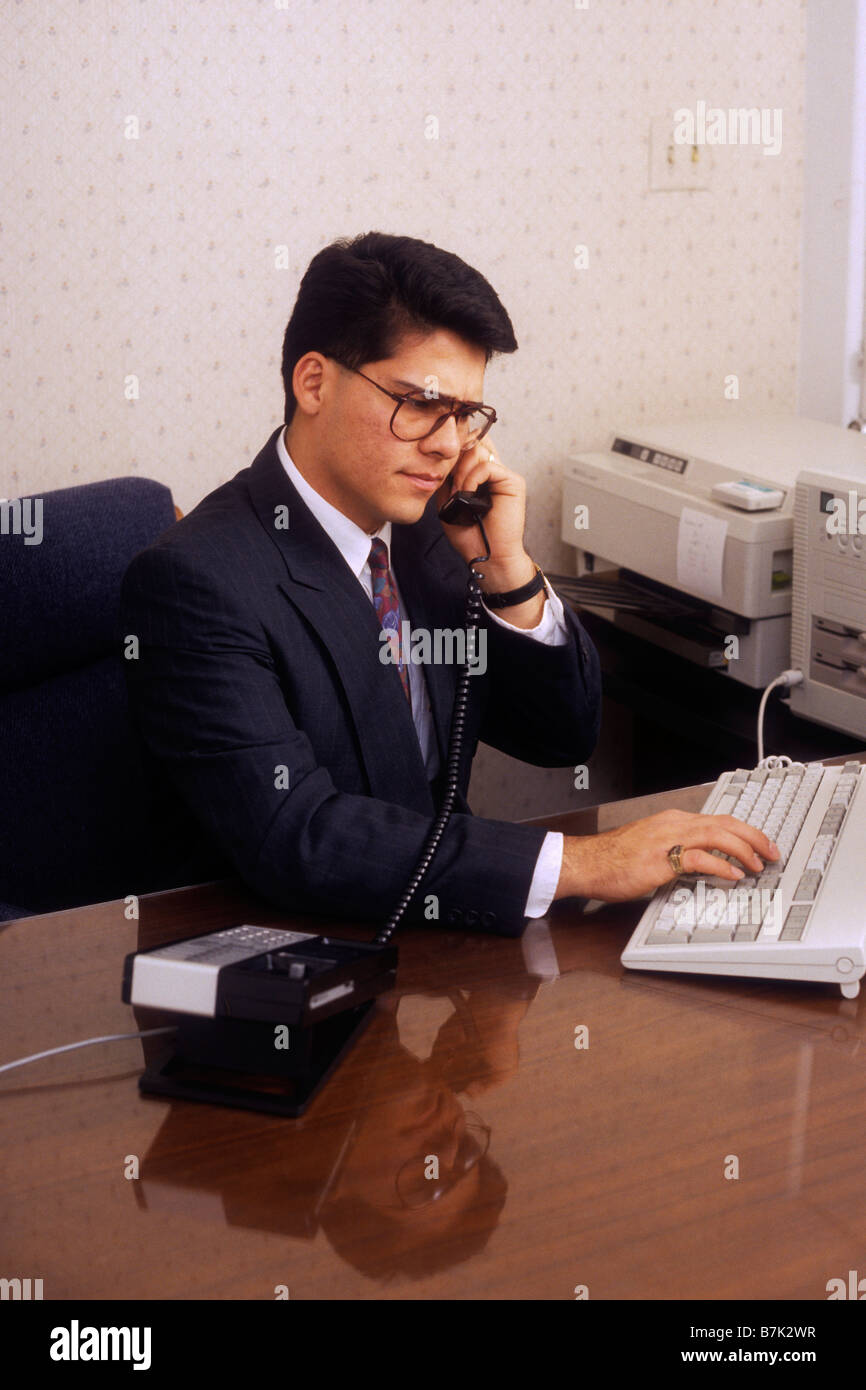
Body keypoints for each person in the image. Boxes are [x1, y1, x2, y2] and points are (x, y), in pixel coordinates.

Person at [120, 231, 777, 935]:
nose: (445, 444)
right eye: (420, 403)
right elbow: (298, 835)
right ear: (313, 382)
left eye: (465, 413)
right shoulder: (195, 582)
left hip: (437, 937)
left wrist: (506, 572)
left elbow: (561, 738)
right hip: (285, 961)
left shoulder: (429, 529)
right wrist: (585, 864)